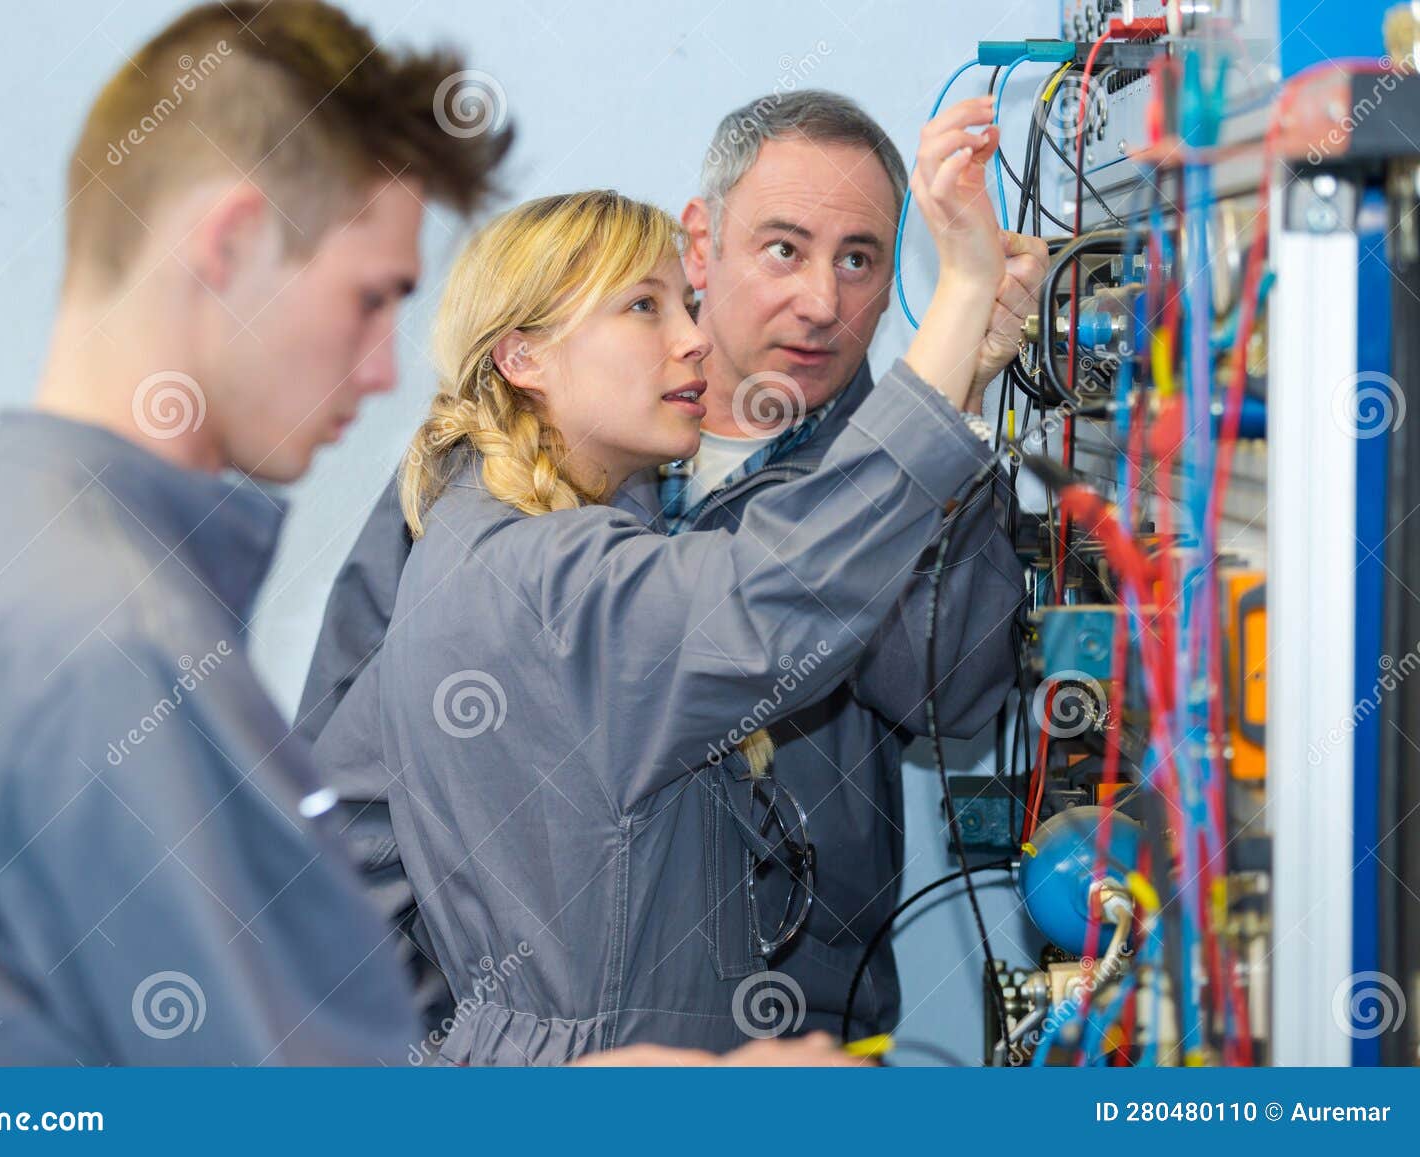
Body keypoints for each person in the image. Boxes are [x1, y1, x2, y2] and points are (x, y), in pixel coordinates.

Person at [298, 90, 1044, 1044]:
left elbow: (951, 694)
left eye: (859, 260)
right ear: (705, 243)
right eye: (784, 249)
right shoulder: (490, 507)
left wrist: (951, 407)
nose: (822, 301)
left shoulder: (885, 457)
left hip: (802, 1027)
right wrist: (451, 1039)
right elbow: (349, 801)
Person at [0, 0, 506, 1066]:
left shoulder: (25, 552)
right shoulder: (116, 641)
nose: (385, 369)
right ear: (231, 239)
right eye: (370, 298)